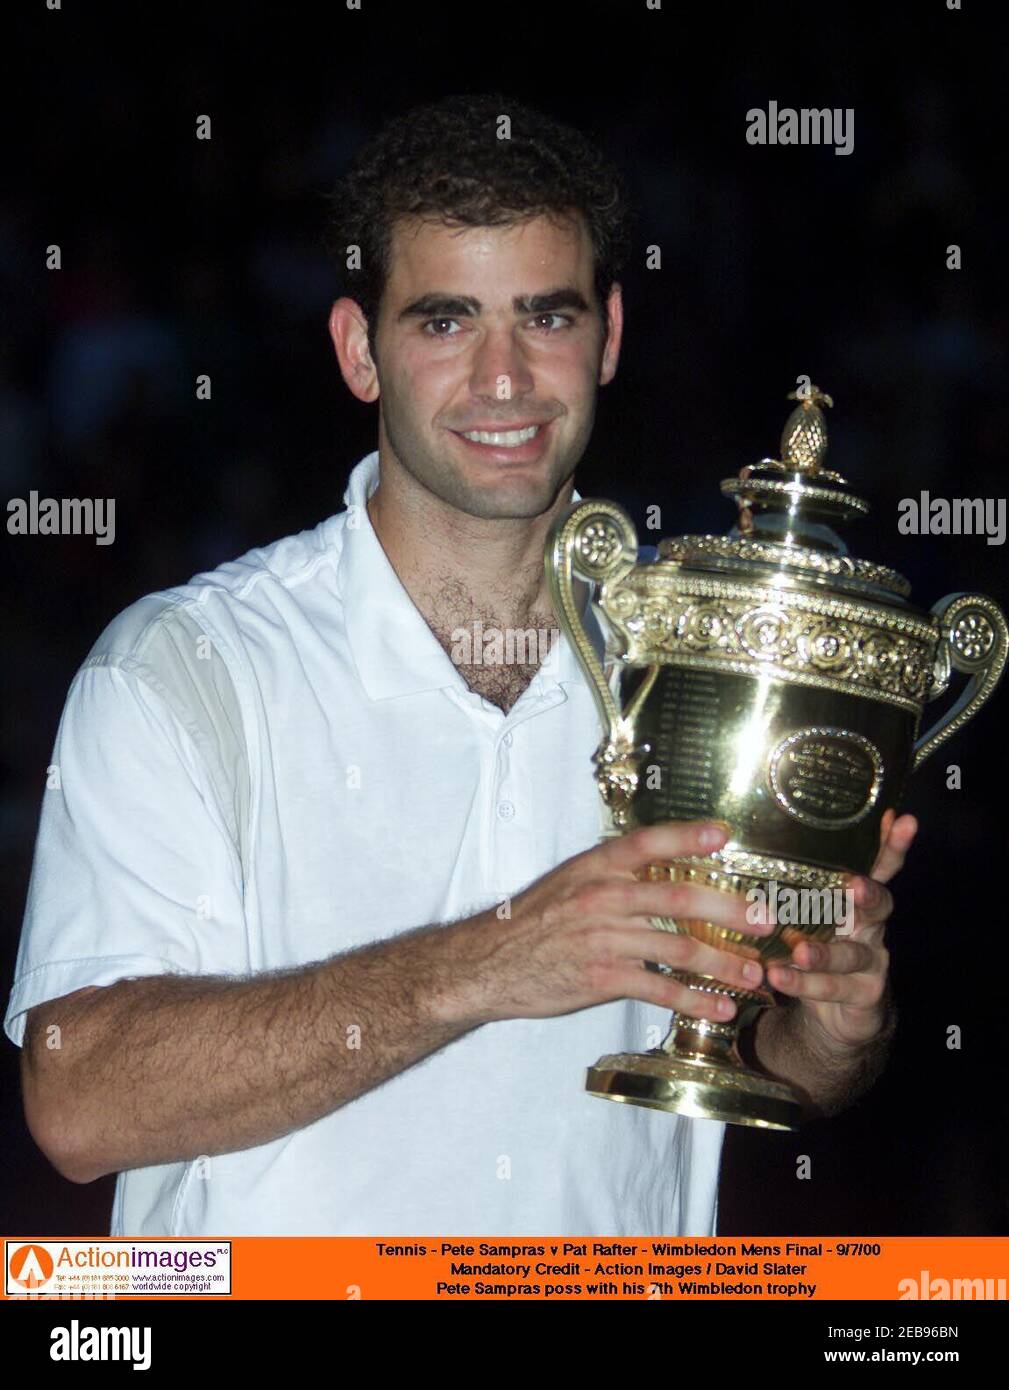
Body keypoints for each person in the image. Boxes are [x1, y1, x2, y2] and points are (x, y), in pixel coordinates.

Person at [6, 92, 916, 1237]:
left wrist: (827, 1030)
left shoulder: (707, 657)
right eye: (444, 323)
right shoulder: (184, 670)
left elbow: (747, 1061)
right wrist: (487, 962)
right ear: (359, 351)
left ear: (611, 336)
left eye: (547, 317)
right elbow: (78, 1096)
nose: (503, 377)